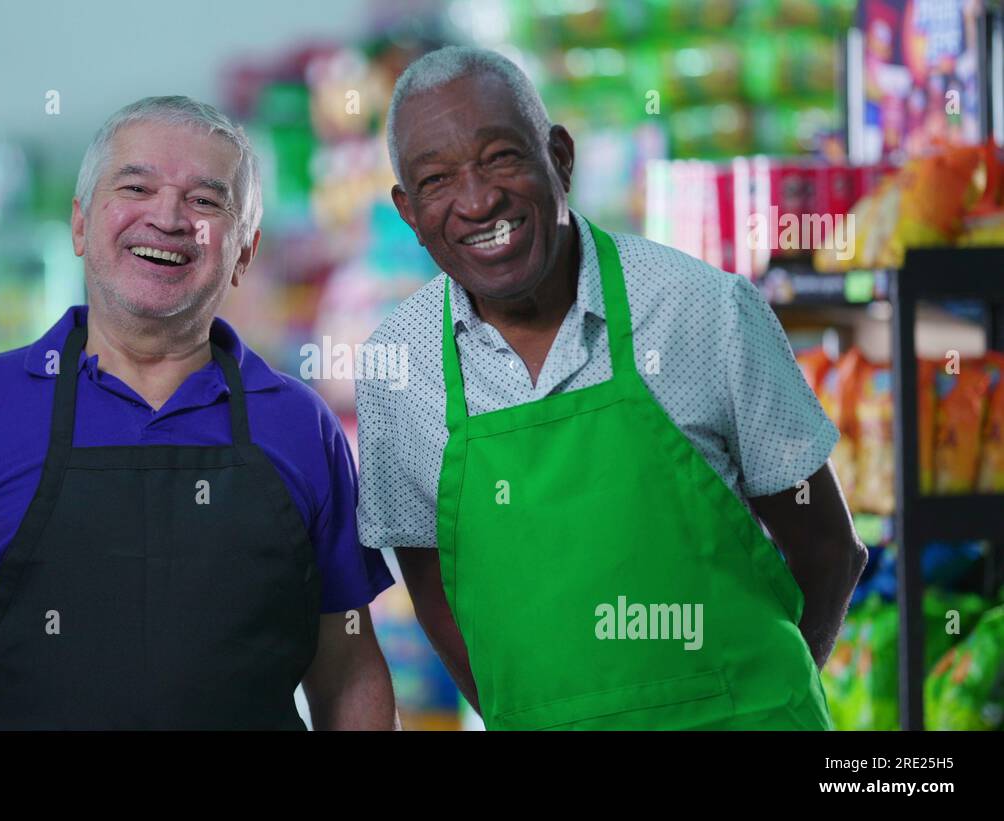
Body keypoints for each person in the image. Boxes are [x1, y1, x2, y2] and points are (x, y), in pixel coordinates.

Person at [355, 47, 868, 730]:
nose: (478, 200)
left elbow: (830, 548)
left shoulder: (702, 309)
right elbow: (435, 590)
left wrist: (752, 701)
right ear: (409, 212)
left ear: (559, 156)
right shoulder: (399, 367)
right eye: (437, 179)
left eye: (501, 157)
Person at [0, 96, 397, 730]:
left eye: (205, 201)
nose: (167, 217)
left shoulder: (301, 425)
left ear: (245, 251)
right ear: (80, 226)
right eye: (136, 186)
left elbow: (349, 672)